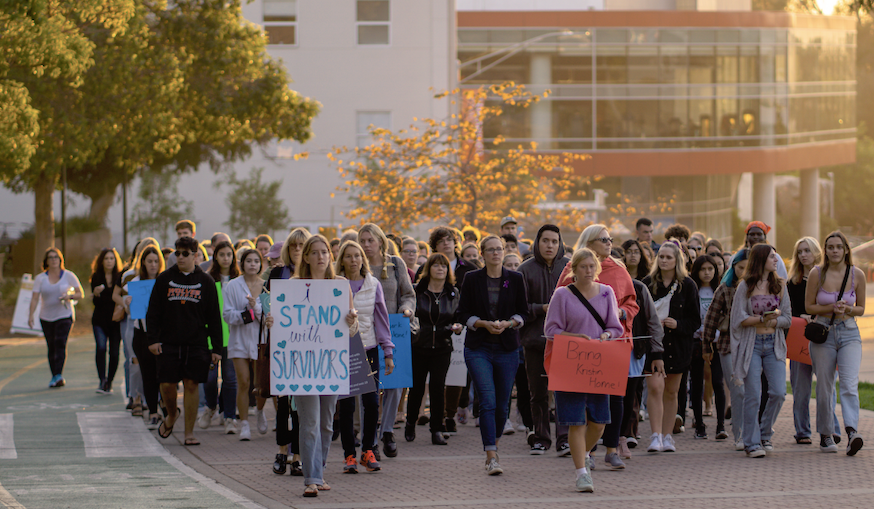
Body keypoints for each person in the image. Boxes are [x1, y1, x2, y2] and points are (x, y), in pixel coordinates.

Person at [557, 225, 639, 466]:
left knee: (614, 398)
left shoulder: (619, 269)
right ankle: (586, 453)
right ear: (589, 243)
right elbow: (560, 306)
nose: (609, 243)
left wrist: (620, 312)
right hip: (580, 348)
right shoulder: (570, 271)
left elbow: (632, 304)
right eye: (603, 239)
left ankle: (612, 449)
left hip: (612, 343)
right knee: (583, 402)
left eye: (610, 239)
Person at [543, 248, 624, 493]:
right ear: (574, 270)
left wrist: (607, 335)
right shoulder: (562, 295)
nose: (588, 271)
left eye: (592, 267)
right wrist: (573, 337)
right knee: (576, 422)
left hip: (599, 363)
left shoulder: (606, 292)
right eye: (583, 267)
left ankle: (585, 453)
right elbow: (550, 330)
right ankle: (581, 473)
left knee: (599, 422)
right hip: (571, 362)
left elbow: (616, 327)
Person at [456, 235, 528, 475]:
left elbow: (523, 313)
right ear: (482, 253)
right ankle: (490, 455)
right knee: (487, 400)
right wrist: (482, 323)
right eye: (491, 250)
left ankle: (494, 446)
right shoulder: (472, 278)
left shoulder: (515, 279)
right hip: (479, 347)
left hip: (507, 347)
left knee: (502, 403)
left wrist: (509, 323)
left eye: (500, 249)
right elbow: (462, 313)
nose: (496, 253)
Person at [292, 235, 358, 497]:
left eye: (325, 252)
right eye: (315, 252)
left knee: (327, 424)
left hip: (331, 362)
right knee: (309, 422)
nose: (321, 257)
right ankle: (311, 478)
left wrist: (351, 320)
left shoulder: (340, 285)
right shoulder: (294, 286)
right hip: (303, 365)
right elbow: (284, 324)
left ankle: (318, 470)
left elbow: (351, 331)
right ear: (305, 257)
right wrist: (272, 323)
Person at [147, 237, 224, 446]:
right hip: (168, 342)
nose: (179, 257)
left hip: (196, 343)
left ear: (195, 255)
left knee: (191, 385)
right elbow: (153, 311)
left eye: (184, 254)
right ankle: (172, 414)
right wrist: (152, 339)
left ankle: (189, 433)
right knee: (167, 385)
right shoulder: (164, 279)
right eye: (177, 253)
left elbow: (214, 317)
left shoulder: (206, 282)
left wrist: (216, 348)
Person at [334, 240, 395, 472]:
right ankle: (349, 454)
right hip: (343, 350)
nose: (353, 260)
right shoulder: (334, 284)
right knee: (347, 406)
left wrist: (387, 350)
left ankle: (368, 449)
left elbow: (381, 318)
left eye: (357, 256)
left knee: (371, 402)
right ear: (342, 260)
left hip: (369, 350)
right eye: (348, 256)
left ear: (363, 259)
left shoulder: (373, 284)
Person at [805, 231, 866, 456]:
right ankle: (826, 434)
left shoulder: (857, 274)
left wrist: (848, 309)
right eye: (830, 247)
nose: (835, 251)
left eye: (839, 247)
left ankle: (852, 432)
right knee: (825, 385)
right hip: (824, 333)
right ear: (825, 250)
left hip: (849, 332)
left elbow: (861, 308)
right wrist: (831, 308)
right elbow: (809, 306)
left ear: (846, 249)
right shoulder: (816, 273)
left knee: (849, 384)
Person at [358, 223, 415, 458]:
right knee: (367, 386)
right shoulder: (356, 265)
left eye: (370, 240)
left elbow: (408, 294)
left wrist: (406, 309)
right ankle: (368, 438)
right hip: (364, 334)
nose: (366, 245)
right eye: (362, 241)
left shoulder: (395, 264)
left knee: (395, 382)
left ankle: (388, 430)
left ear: (381, 241)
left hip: (393, 330)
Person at [730, 244, 791, 458]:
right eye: (773, 257)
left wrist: (773, 322)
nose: (776, 260)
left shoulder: (780, 285)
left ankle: (765, 432)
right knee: (753, 395)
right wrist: (760, 319)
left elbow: (788, 318)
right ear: (761, 259)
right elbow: (737, 319)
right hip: (752, 344)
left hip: (773, 343)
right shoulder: (744, 286)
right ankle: (751, 442)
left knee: (778, 392)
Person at [641, 241, 700, 453]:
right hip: (654, 345)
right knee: (655, 388)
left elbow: (695, 320)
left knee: (672, 391)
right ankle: (655, 435)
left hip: (679, 346)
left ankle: (667, 436)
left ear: (677, 260)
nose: (664, 260)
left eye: (669, 257)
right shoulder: (647, 284)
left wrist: (678, 324)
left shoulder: (688, 285)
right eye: (661, 257)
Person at [518, 225, 570, 456]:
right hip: (535, 341)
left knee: (564, 392)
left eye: (554, 241)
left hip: (566, 342)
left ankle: (565, 439)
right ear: (537, 243)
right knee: (537, 393)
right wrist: (542, 308)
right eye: (546, 241)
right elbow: (517, 309)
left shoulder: (569, 268)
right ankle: (540, 438)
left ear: (560, 244)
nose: (550, 245)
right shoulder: (524, 270)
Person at [786, 236, 840, 446]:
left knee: (826, 387)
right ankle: (802, 431)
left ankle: (831, 429)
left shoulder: (828, 278)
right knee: (800, 388)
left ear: (817, 252)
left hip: (825, 336)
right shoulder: (793, 282)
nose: (803, 255)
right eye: (800, 251)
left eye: (807, 250)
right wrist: (803, 317)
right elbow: (788, 309)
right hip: (800, 335)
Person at [407, 253, 462, 445]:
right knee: (417, 388)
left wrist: (457, 327)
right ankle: (410, 423)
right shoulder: (417, 291)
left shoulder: (453, 293)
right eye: (436, 265)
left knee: (438, 388)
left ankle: (436, 429)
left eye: (444, 266)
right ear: (428, 268)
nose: (440, 269)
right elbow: (411, 315)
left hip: (442, 346)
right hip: (419, 346)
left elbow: (457, 318)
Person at [270, 228, 311, 478]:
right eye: (293, 246)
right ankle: (281, 451)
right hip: (282, 347)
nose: (297, 249)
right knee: (283, 404)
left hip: (308, 348)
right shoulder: (277, 273)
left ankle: (298, 456)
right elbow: (268, 304)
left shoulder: (317, 277)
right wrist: (268, 319)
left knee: (301, 406)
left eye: (301, 245)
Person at [702, 248, 748, 450]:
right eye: (740, 268)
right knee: (737, 389)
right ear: (733, 267)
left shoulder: (763, 287)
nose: (744, 272)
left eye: (749, 268)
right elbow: (711, 318)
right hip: (728, 345)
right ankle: (739, 433)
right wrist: (707, 345)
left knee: (754, 391)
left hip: (754, 345)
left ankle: (756, 431)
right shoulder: (725, 288)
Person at [223, 248, 271, 441]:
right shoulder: (232, 286)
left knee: (259, 384)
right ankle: (243, 423)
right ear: (241, 263)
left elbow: (268, 316)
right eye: (248, 261)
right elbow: (227, 315)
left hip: (261, 340)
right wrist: (246, 314)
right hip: (239, 340)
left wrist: (256, 307)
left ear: (261, 264)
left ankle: (259, 411)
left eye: (256, 261)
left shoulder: (266, 286)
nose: (252, 264)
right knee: (243, 382)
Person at [198, 241, 240, 434]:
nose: (225, 258)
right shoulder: (207, 280)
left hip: (233, 337)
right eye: (221, 254)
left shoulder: (238, 280)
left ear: (233, 257)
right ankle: (211, 406)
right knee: (210, 378)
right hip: (212, 338)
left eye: (228, 255)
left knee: (231, 379)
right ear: (215, 257)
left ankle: (229, 417)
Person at [620, 277, 665, 456]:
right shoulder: (596, 286)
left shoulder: (637, 288)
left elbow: (653, 321)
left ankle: (624, 436)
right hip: (605, 352)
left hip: (634, 351)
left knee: (630, 396)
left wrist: (657, 353)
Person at [29, 248, 84, 388]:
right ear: (46, 261)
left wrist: (69, 297)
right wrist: (30, 315)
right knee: (51, 345)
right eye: (51, 257)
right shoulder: (40, 278)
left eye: (56, 257)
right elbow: (35, 298)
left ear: (60, 260)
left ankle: (59, 375)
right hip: (46, 316)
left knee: (60, 342)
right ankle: (54, 375)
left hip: (64, 314)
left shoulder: (68, 275)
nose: (53, 259)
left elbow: (80, 294)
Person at [127, 246, 166, 429]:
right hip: (141, 334)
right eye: (149, 261)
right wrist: (127, 302)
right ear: (143, 262)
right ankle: (153, 411)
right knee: (148, 374)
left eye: (156, 261)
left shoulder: (165, 281)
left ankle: (166, 405)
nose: (152, 265)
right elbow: (131, 310)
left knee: (163, 374)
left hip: (162, 334)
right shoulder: (136, 281)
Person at [689, 254, 726, 441]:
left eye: (710, 269)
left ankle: (720, 425)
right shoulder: (692, 290)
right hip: (696, 342)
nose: (706, 273)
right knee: (697, 384)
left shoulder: (720, 290)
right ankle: (699, 425)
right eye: (703, 269)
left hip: (717, 342)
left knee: (718, 382)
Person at [90, 248, 123, 394]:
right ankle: (102, 380)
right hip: (99, 320)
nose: (109, 261)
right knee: (101, 347)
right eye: (106, 258)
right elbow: (96, 303)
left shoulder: (120, 277)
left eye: (112, 258)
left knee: (114, 353)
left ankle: (109, 381)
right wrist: (96, 294)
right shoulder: (96, 277)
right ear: (101, 261)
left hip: (115, 320)